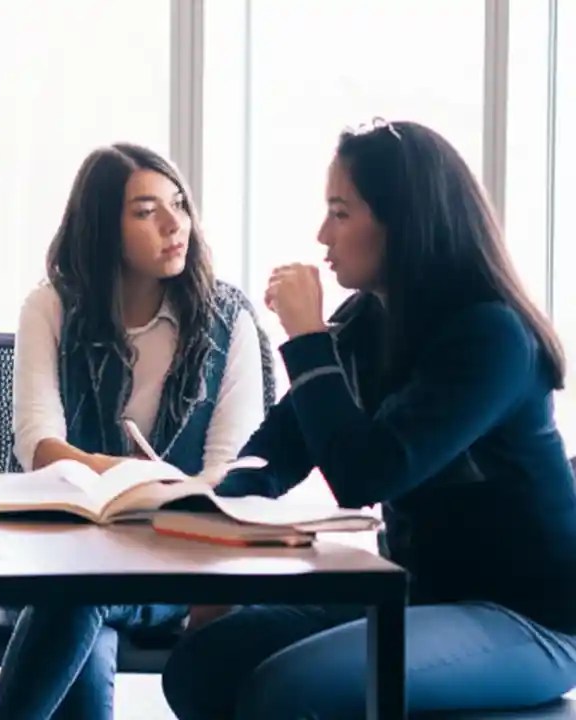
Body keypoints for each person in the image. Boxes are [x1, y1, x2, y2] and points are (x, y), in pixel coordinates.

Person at [162, 119, 576, 719]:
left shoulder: (489, 335)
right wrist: (205, 511)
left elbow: (368, 473)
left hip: (527, 619)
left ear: (402, 222)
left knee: (288, 689)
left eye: (341, 212)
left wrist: (307, 338)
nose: (322, 234)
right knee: (205, 662)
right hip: (417, 595)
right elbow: (275, 452)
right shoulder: (370, 321)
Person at [0, 143, 273, 720]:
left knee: (77, 601)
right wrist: (137, 478)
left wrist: (172, 501)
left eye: (178, 205)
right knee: (81, 618)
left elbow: (228, 470)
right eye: (145, 211)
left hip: (171, 560)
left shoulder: (226, 318)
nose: (174, 225)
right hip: (58, 556)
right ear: (102, 228)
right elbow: (40, 446)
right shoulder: (51, 306)